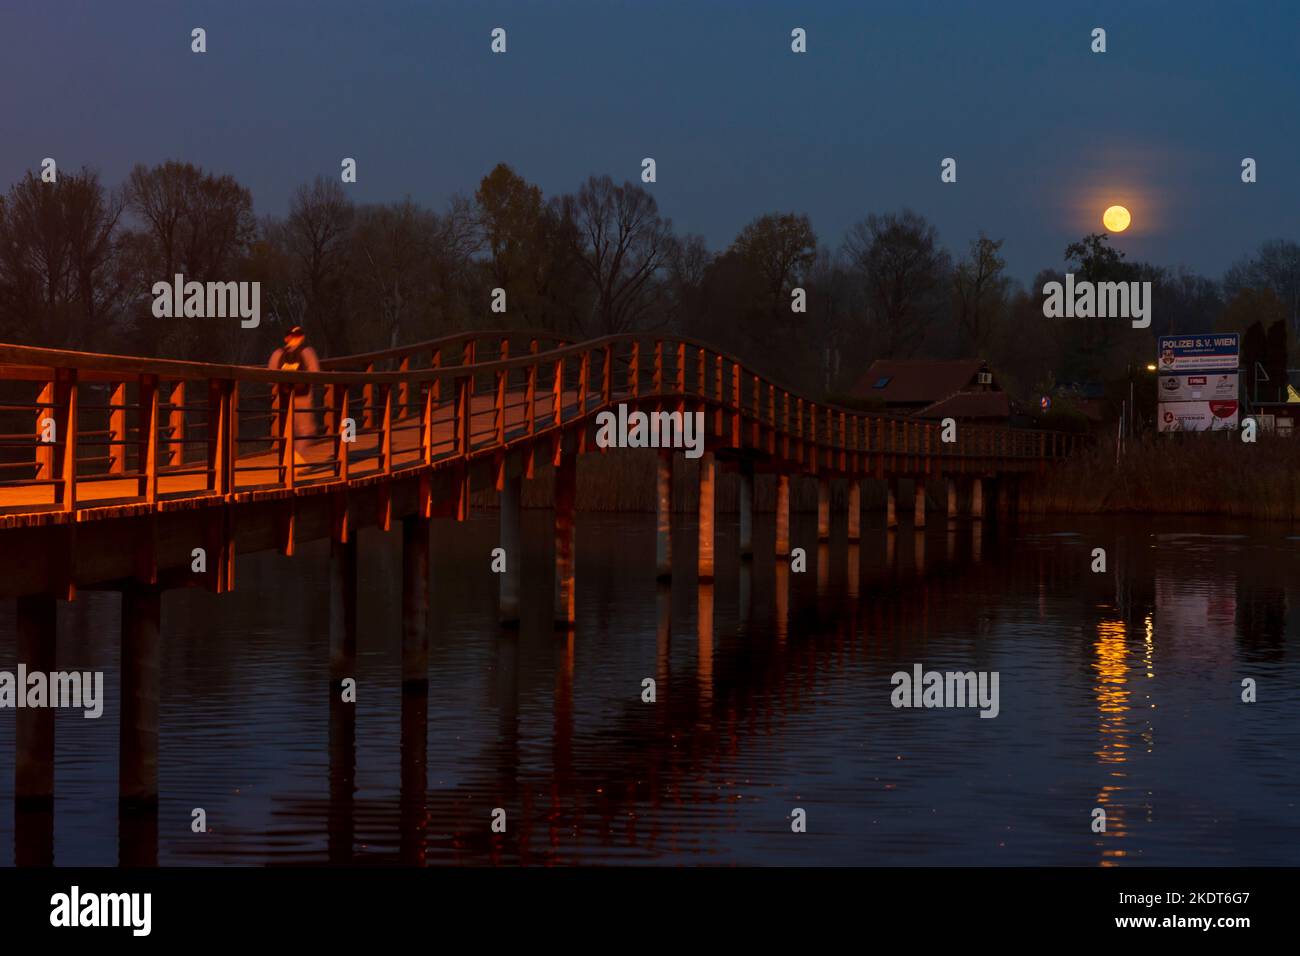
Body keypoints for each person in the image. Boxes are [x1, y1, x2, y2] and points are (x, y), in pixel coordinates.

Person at [268, 325, 321, 465]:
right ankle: (295, 457)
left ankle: (288, 458)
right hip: (302, 397)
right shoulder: (307, 351)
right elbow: (315, 374)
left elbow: (269, 377)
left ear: (286, 338)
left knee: (287, 430)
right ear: (302, 337)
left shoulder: (278, 353)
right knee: (307, 430)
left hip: (283, 398)